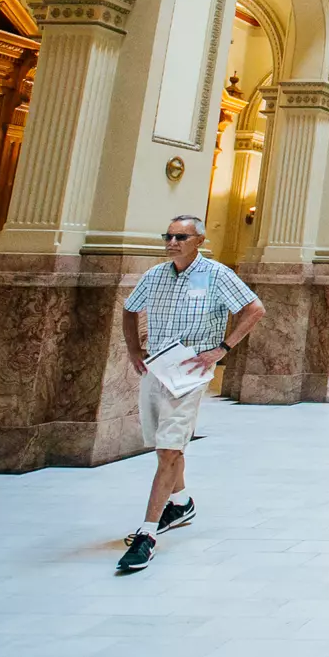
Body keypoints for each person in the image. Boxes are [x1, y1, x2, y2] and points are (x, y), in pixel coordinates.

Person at [116, 215, 266, 573]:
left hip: (191, 369)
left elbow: (255, 309)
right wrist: (135, 351)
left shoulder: (216, 275)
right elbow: (129, 310)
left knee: (169, 449)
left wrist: (222, 349)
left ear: (199, 240)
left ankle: (147, 534)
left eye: (180, 237)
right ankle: (181, 504)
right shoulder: (155, 276)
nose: (172, 242)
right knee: (164, 444)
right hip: (156, 366)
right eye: (168, 236)